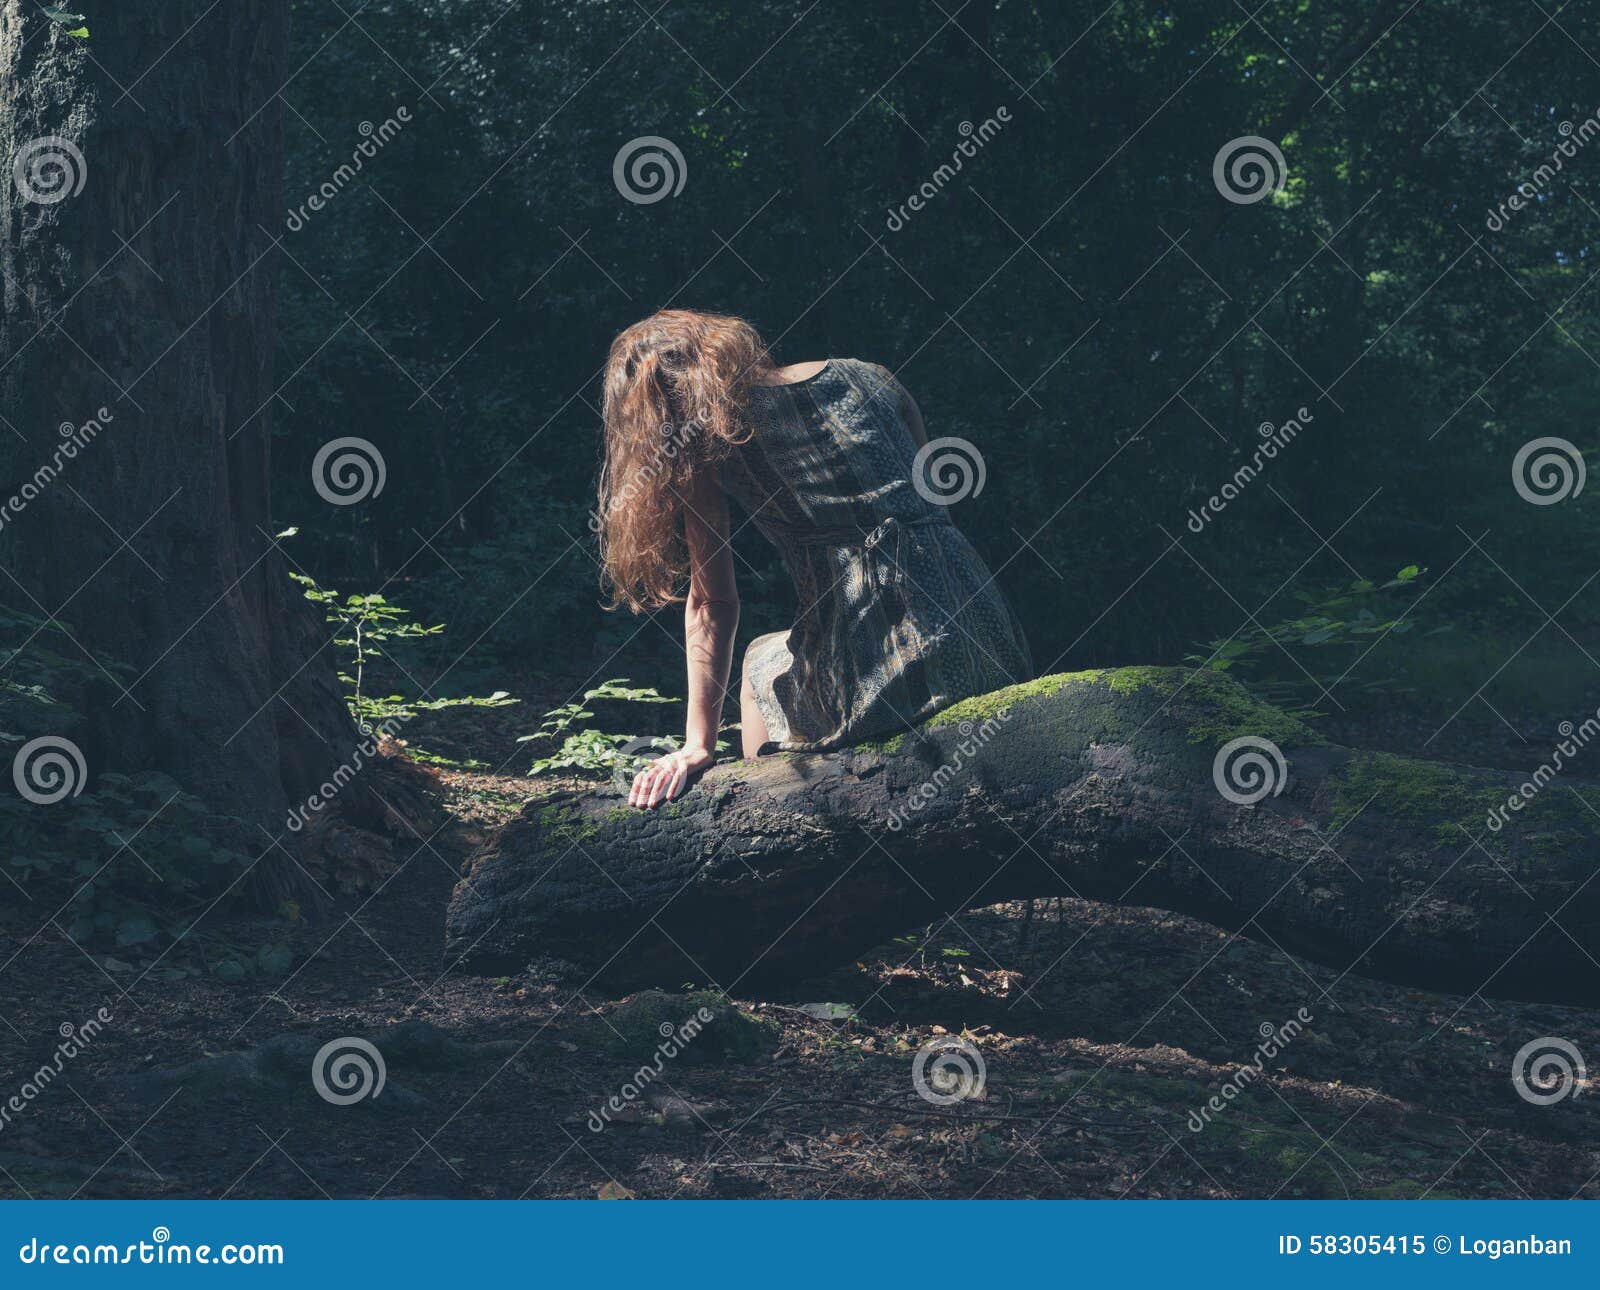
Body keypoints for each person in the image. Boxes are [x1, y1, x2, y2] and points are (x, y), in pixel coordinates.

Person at [597, 308, 1032, 808]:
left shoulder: (709, 442)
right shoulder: (872, 375)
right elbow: (938, 515)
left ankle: (769, 816)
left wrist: (697, 745)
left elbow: (711, 604)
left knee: (761, 659)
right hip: (985, 630)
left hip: (877, 666)